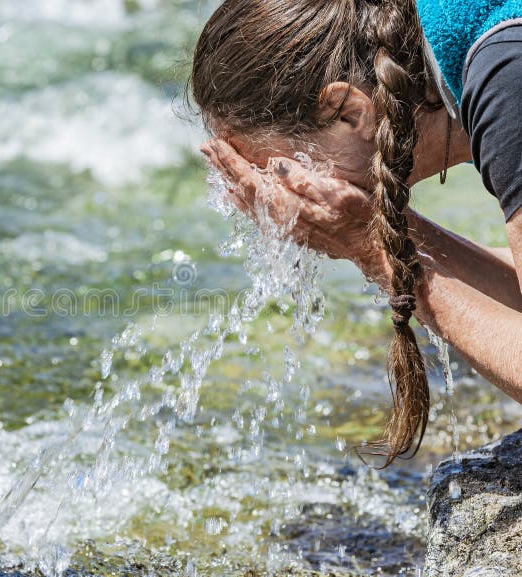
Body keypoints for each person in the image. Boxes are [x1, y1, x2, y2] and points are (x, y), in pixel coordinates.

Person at [191, 0, 522, 466]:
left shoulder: (508, 79)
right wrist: (380, 228)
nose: (276, 199)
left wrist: (372, 251)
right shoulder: (473, 50)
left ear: (349, 112)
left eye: (279, 172)